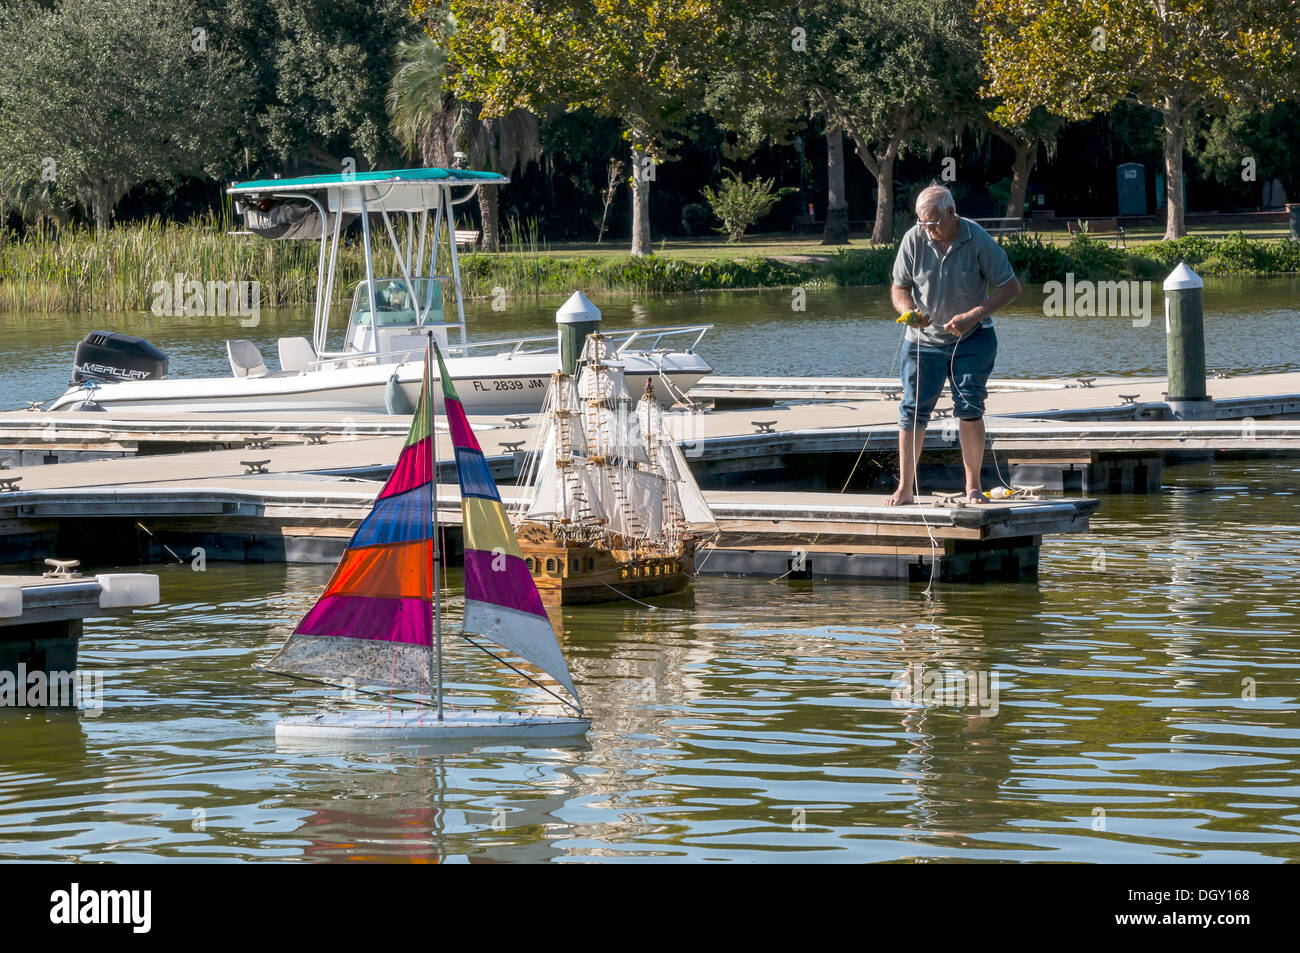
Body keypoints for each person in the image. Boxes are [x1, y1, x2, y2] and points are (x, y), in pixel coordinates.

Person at [887, 185, 1021, 505]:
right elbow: (899, 287)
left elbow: (1010, 287)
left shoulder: (977, 238)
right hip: (923, 341)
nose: (928, 230)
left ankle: (972, 486)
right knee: (912, 411)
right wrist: (909, 312)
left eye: (933, 222)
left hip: (973, 339)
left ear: (951, 212)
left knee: (970, 406)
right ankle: (906, 488)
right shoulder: (914, 239)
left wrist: (974, 315)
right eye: (922, 223)